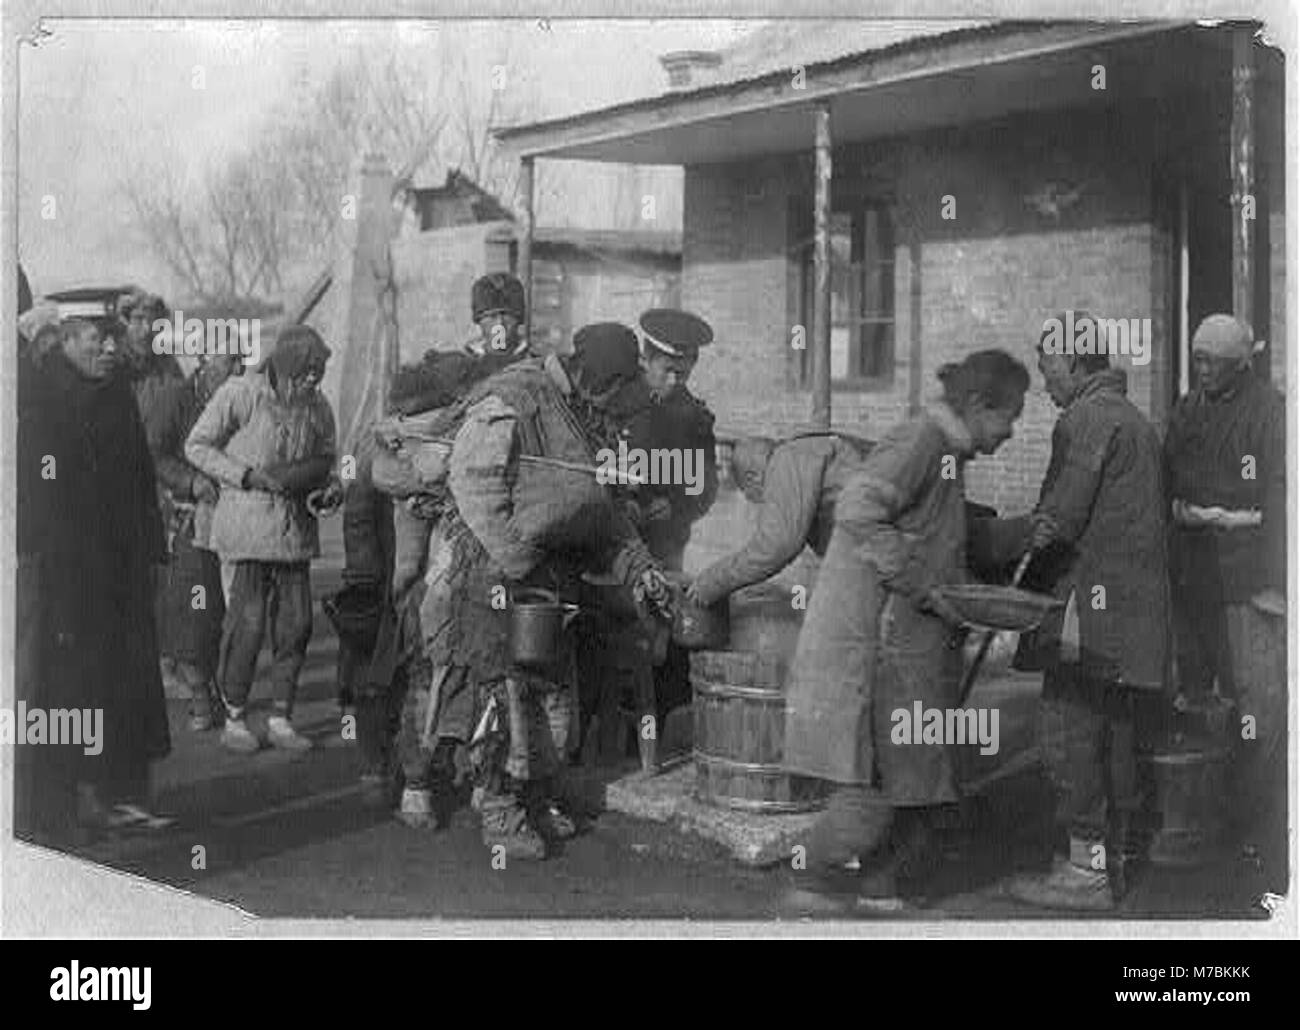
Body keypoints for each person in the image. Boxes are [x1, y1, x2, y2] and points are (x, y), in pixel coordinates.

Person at [784, 350, 1031, 912]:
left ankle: (879, 884)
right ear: (976, 405)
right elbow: (857, 508)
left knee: (913, 779)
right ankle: (813, 873)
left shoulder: (949, 453)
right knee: (883, 789)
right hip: (885, 644)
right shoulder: (922, 441)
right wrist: (925, 585)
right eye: (1009, 416)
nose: (1013, 431)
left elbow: (935, 534)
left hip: (912, 648)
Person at [423, 322, 674, 858]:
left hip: (549, 579)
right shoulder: (515, 398)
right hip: (497, 577)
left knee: (553, 702)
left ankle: (533, 799)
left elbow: (601, 514)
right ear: (597, 379)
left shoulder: (586, 415)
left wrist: (641, 569)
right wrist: (517, 559)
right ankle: (501, 812)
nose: (613, 407)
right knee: (504, 698)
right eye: (612, 393)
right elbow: (471, 482)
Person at [1007, 312, 1170, 911]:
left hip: (1089, 613)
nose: (1044, 382)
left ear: (1077, 364)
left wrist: (998, 555)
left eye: (1048, 369)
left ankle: (1086, 874)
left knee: (1068, 730)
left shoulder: (1085, 419)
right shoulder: (1134, 420)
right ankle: (1113, 861)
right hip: (1131, 621)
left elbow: (1058, 520)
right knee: (1116, 736)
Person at [19, 316, 173, 837]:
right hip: (70, 571)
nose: (110, 348)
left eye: (112, 339)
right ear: (66, 343)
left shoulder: (116, 397)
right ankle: (65, 805)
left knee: (128, 681)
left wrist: (153, 550)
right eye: (96, 340)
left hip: (123, 569)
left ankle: (123, 794)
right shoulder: (44, 401)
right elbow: (40, 491)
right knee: (69, 688)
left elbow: (141, 477)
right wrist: (52, 561)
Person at [1163, 314, 1286, 875]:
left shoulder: (1269, 411)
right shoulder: (1188, 409)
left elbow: (1277, 496)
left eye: (1212, 361)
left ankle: (1254, 818)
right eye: (1197, 359)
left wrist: (1272, 582)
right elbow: (1170, 476)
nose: (1201, 369)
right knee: (1196, 697)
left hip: (1244, 581)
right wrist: (1203, 510)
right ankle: (1199, 812)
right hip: (1194, 576)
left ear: (1241, 364)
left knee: (1256, 699)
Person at [185, 325, 338, 753]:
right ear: (287, 365)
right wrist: (245, 475)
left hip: (294, 534)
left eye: (319, 372)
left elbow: (331, 460)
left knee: (297, 626)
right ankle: (235, 716)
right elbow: (196, 446)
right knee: (247, 625)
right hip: (248, 529)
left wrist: (330, 489)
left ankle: (280, 717)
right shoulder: (241, 393)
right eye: (307, 371)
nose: (313, 380)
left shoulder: (318, 405)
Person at [145, 350, 243, 731]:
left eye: (241, 359)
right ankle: (202, 694)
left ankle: (221, 689)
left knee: (228, 611)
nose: (238, 368)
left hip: (237, 522)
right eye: (228, 359)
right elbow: (153, 451)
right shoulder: (176, 399)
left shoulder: (244, 399)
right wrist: (190, 481)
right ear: (203, 359)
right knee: (196, 608)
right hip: (190, 523)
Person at [686, 431, 873, 607]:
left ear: (753, 477)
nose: (757, 502)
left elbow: (776, 547)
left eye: (747, 492)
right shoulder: (801, 454)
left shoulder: (783, 463)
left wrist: (710, 582)